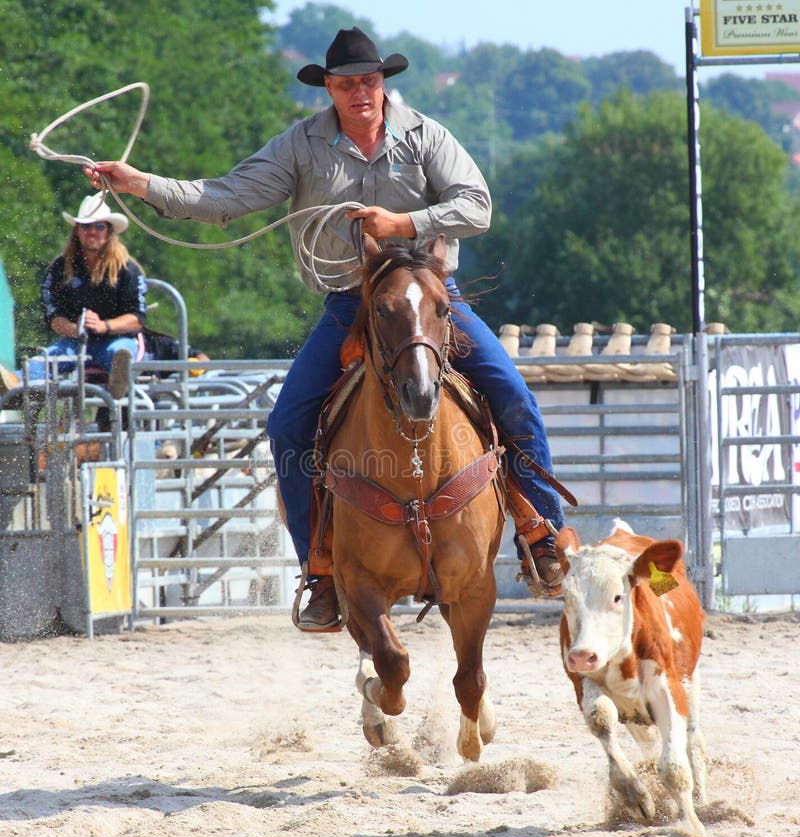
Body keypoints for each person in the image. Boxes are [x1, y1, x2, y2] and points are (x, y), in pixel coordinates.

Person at [83, 27, 566, 630]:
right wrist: (140, 184)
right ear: (330, 89)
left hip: (429, 298)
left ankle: (541, 532)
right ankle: (321, 567)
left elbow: (476, 205)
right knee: (287, 424)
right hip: (349, 303)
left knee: (512, 395)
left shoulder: (425, 136)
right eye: (346, 84)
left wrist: (403, 223)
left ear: (382, 83)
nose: (359, 92)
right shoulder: (300, 146)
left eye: (368, 80)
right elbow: (225, 196)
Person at [0, 194, 147, 401]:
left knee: (120, 355)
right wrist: (71, 328)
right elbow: (52, 313)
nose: (92, 232)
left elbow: (137, 318)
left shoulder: (127, 269)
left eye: (99, 226)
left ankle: (118, 384)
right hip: (75, 342)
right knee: (47, 360)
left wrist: (103, 326)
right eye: (86, 227)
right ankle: (14, 385)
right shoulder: (61, 268)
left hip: (117, 340)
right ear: (77, 231)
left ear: (109, 231)